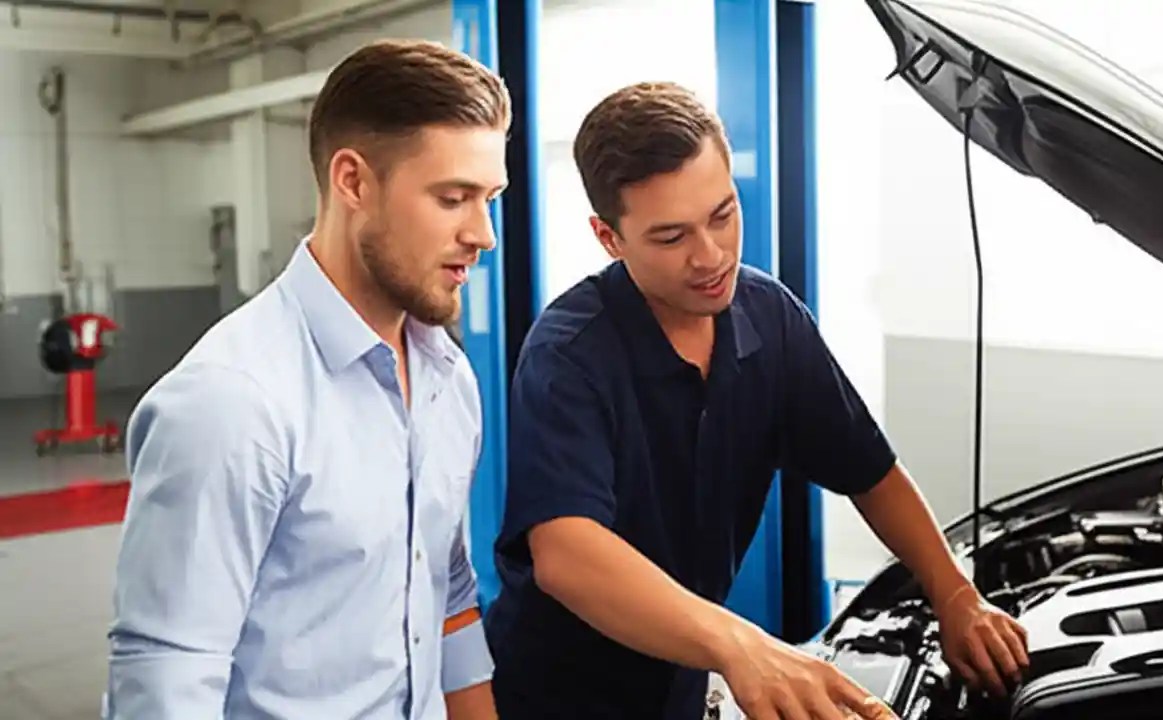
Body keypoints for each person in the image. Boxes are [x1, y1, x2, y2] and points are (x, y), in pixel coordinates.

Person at [482, 81, 1030, 720]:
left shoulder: (770, 317)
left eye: (723, 214)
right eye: (670, 237)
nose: (711, 256)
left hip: (681, 688)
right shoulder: (568, 354)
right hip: (553, 700)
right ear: (609, 237)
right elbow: (567, 555)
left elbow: (869, 470)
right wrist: (742, 645)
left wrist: (955, 593)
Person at [104, 39, 509, 720]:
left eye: (489, 198)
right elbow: (167, 681)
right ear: (353, 181)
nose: (484, 233)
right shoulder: (230, 402)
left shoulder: (447, 377)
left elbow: (448, 593)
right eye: (453, 198)